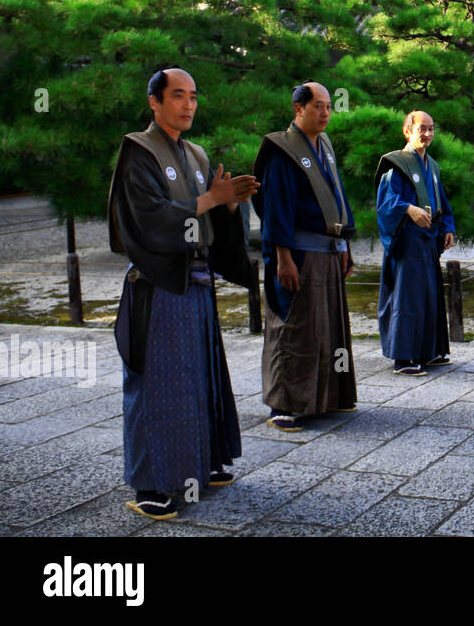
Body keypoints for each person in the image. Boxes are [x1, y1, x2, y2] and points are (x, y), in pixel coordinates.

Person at [107, 67, 257, 519]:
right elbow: (148, 217)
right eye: (178, 96)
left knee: (199, 379)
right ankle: (151, 482)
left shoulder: (195, 153)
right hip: (159, 284)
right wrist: (211, 200)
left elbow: (209, 220)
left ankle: (201, 465)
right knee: (159, 385)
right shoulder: (139, 150)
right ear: (154, 102)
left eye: (193, 96)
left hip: (196, 282)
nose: (188, 105)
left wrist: (229, 206)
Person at [253, 81, 357, 432]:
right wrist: (282, 257)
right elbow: (275, 206)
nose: (325, 113)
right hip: (297, 250)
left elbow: (337, 200)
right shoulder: (282, 149)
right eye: (318, 106)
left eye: (328, 106)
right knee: (295, 326)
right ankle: (284, 403)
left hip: (328, 249)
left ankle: (325, 398)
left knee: (326, 329)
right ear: (298, 108)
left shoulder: (323, 145)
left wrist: (344, 245)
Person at [374, 110, 456, 375]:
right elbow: (386, 203)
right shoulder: (395, 164)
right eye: (422, 129)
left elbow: (441, 199)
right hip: (407, 239)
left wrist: (448, 227)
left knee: (429, 296)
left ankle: (429, 351)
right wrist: (409, 209)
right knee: (407, 297)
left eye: (431, 129)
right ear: (407, 131)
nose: (427, 134)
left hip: (428, 239)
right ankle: (404, 358)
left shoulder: (432, 165)